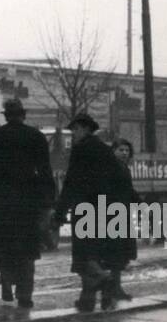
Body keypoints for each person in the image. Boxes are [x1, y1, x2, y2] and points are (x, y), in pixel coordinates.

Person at [0, 98, 56, 310]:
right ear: (24, 114)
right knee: (27, 251)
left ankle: (7, 282)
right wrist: (46, 199)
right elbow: (45, 172)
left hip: (3, 202)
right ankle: (25, 294)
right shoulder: (36, 137)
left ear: (5, 115)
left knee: (5, 247)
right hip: (28, 201)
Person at [51, 113, 138, 311]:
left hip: (85, 207)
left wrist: (59, 214)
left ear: (84, 128)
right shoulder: (104, 150)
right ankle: (89, 299)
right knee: (96, 254)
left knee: (84, 256)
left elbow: (71, 183)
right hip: (105, 208)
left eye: (75, 129)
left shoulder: (80, 150)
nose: (73, 133)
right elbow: (119, 180)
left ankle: (104, 282)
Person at [110, 138, 140, 301]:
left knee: (120, 254)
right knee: (116, 254)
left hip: (123, 213)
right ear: (113, 151)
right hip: (114, 214)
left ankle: (115, 287)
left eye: (127, 150)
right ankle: (112, 288)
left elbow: (129, 191)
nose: (124, 153)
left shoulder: (123, 168)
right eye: (121, 150)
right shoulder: (111, 168)